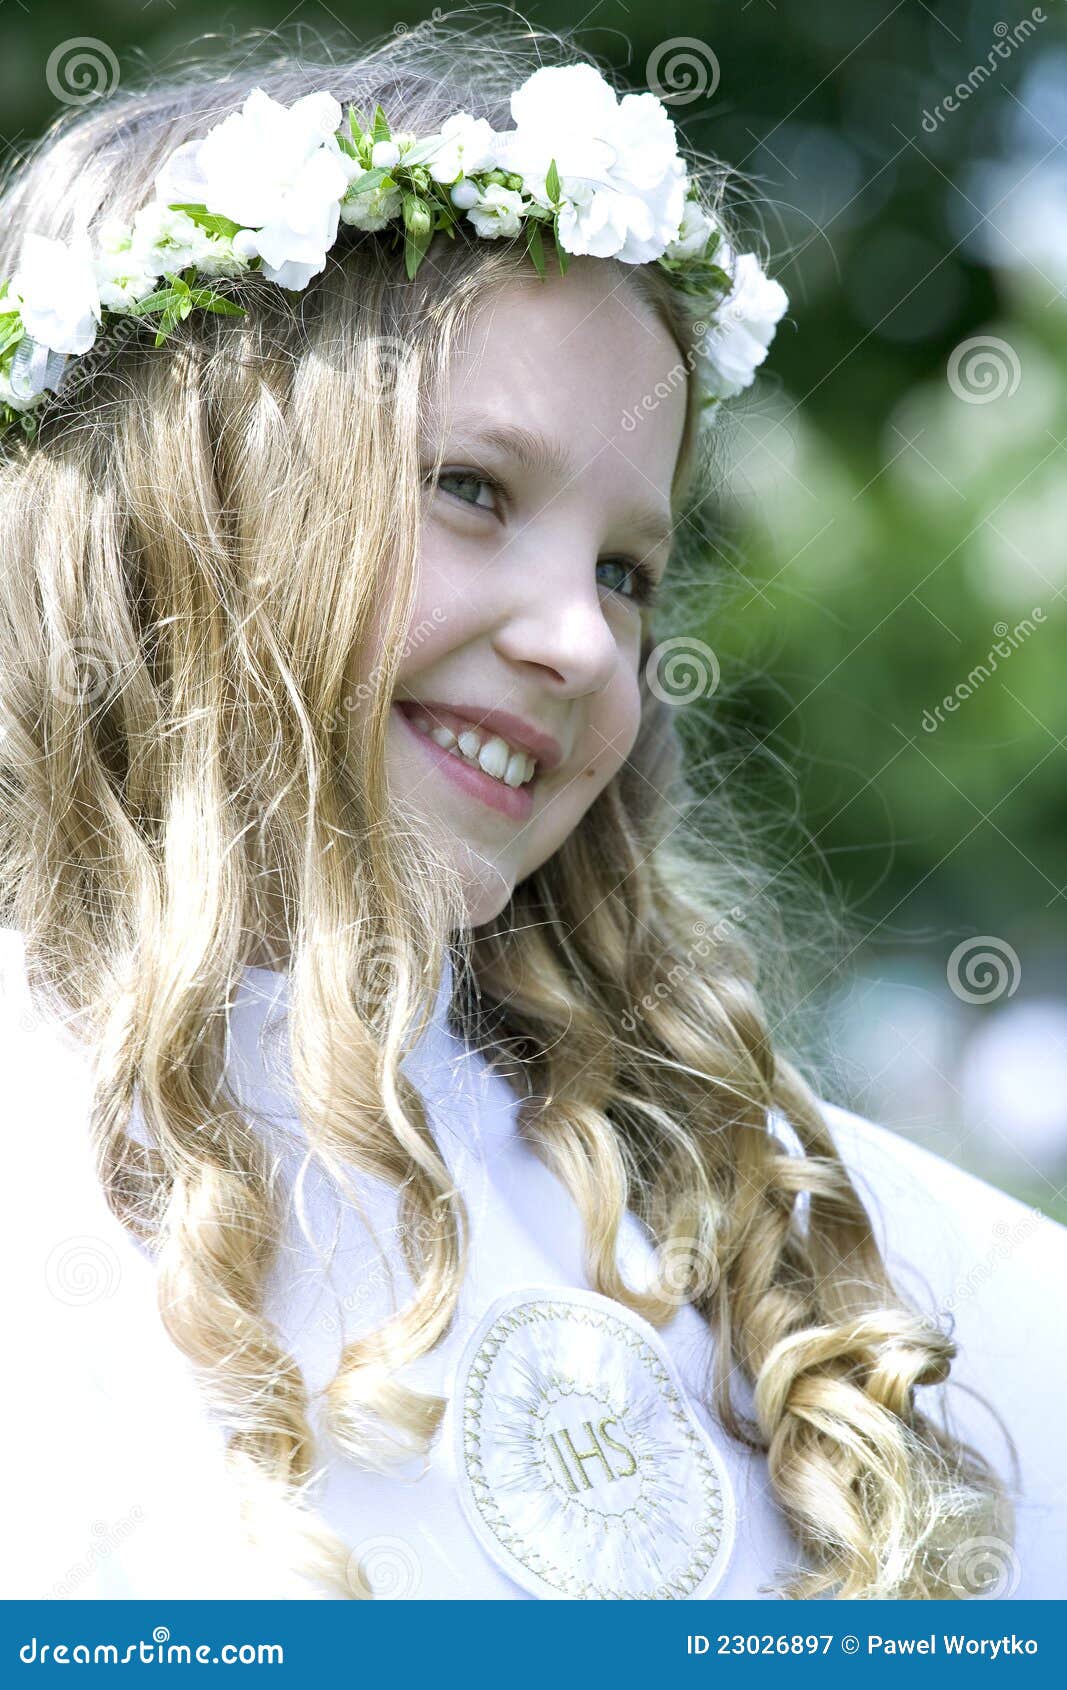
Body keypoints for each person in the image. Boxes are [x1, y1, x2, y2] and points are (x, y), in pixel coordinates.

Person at [1, 19, 1064, 1603]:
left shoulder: (812, 1259)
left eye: (627, 571)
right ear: (178, 505)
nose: (583, 640)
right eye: (474, 489)